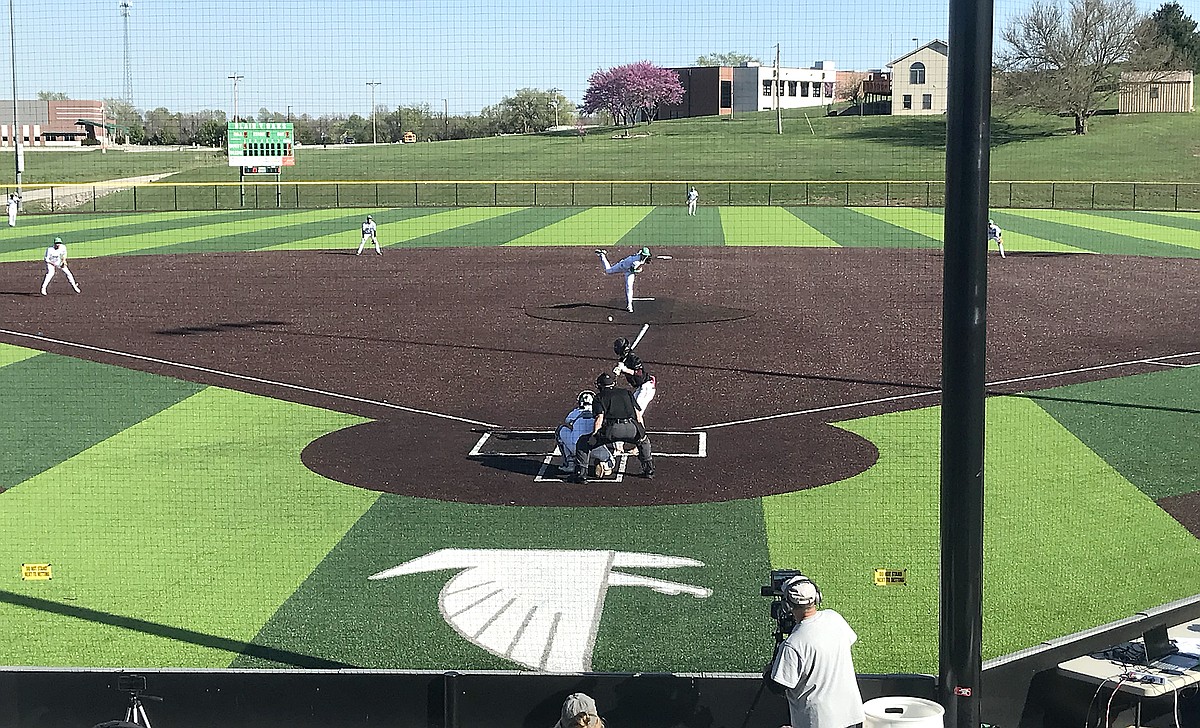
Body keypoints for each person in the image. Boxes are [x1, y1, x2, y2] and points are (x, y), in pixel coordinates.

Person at [765, 575, 864, 728]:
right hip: (852, 716)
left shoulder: (793, 644)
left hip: (819, 722)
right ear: (817, 598)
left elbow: (779, 685)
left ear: (787, 606)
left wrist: (767, 672)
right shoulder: (835, 618)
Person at [572, 372, 653, 482]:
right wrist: (641, 432)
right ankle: (649, 470)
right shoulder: (627, 393)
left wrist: (595, 435)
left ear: (599, 385)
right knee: (643, 441)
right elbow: (638, 414)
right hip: (632, 428)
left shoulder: (599, 397)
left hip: (612, 429)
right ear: (613, 383)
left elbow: (599, 418)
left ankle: (581, 475)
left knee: (583, 443)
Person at [555, 390, 615, 476]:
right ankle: (605, 465)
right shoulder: (600, 413)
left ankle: (570, 463)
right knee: (611, 462)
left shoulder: (575, 412)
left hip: (576, 448)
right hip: (595, 446)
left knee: (560, 430)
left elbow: (567, 421)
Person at [595, 246, 651, 313]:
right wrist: (639, 271)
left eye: (646, 256)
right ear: (641, 255)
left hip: (628, 269)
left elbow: (641, 253)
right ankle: (602, 255)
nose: (645, 257)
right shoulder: (635, 262)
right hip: (622, 266)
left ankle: (629, 305)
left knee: (629, 287)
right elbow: (632, 270)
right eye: (644, 255)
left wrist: (645, 260)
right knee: (608, 271)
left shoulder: (641, 255)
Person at [612, 337, 656, 416]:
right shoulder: (623, 360)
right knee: (631, 409)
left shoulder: (633, 358)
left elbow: (639, 373)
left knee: (636, 412)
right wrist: (618, 371)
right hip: (640, 387)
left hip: (646, 387)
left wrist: (625, 369)